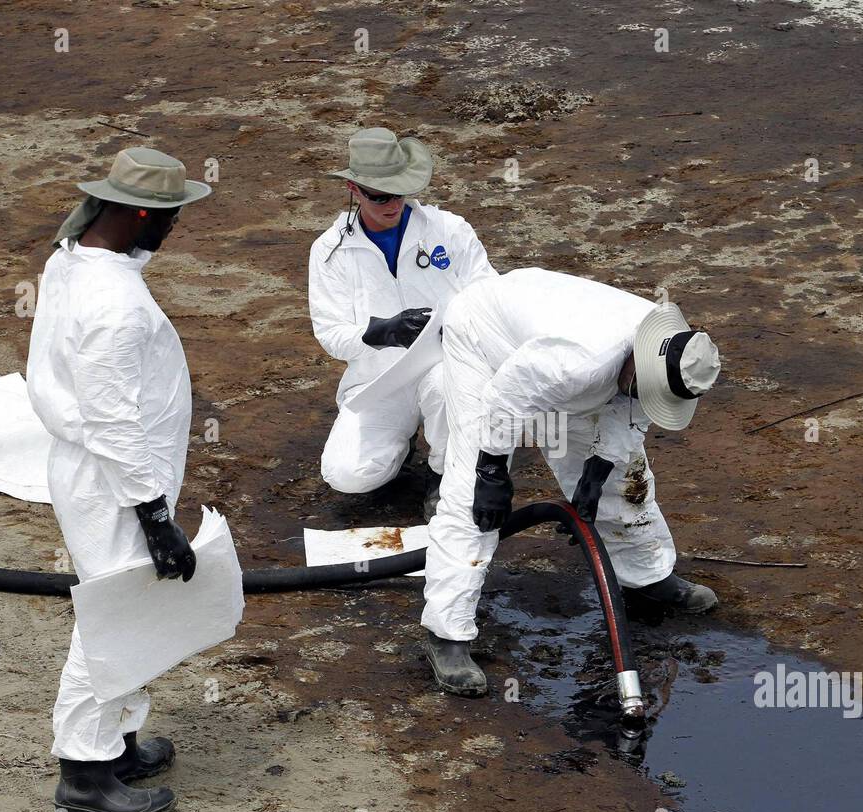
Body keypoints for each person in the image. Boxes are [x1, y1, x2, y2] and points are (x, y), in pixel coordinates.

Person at [420, 268, 723, 695]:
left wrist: (596, 473)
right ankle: (446, 634)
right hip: (485, 339)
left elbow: (630, 408)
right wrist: (491, 470)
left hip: (552, 356)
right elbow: (507, 396)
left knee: (627, 477)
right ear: (641, 358)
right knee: (473, 497)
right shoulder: (578, 364)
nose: (642, 396)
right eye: (645, 388)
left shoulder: (663, 354)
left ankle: (646, 577)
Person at [27, 146, 211, 812]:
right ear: (138, 215)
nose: (173, 229)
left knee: (127, 607)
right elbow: (112, 421)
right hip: (113, 482)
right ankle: (83, 774)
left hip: (96, 472)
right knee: (110, 619)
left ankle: (118, 742)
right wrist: (156, 518)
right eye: (168, 218)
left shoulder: (72, 259)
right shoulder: (116, 307)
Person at [308, 127, 498, 518]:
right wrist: (379, 332)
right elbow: (330, 333)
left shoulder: (449, 231)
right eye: (379, 196)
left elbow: (490, 297)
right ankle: (403, 441)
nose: (392, 204)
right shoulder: (330, 252)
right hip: (379, 379)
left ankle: (444, 473)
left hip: (446, 368)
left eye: (399, 191)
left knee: (446, 391)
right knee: (348, 474)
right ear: (353, 189)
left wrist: (460, 326)